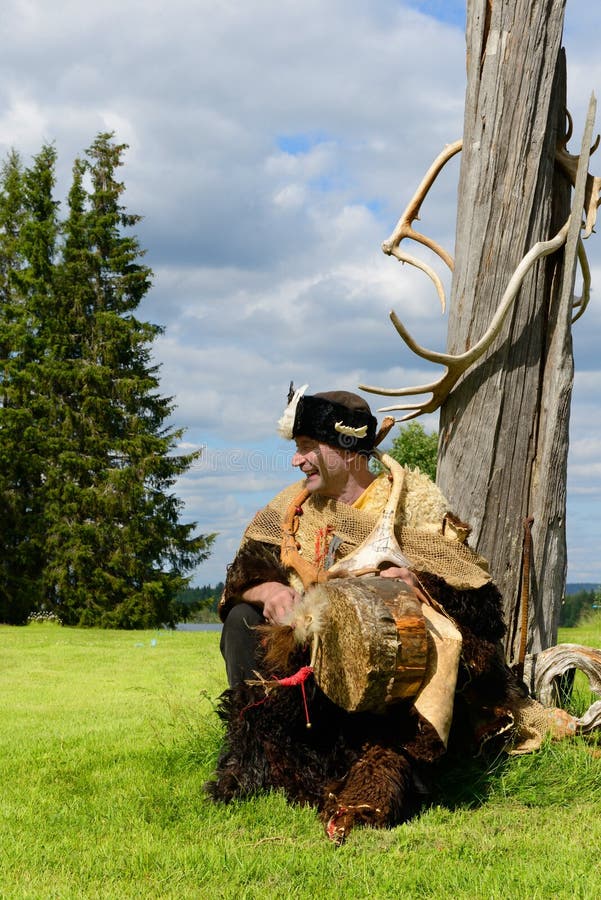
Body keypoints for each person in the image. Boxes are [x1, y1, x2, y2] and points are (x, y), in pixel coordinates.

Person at [218, 385, 488, 689]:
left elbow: (472, 591)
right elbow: (242, 573)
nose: (297, 460)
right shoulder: (290, 505)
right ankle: (256, 727)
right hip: (306, 662)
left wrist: (419, 584)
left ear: (346, 450)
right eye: (297, 447)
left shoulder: (413, 502)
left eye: (307, 446)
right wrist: (269, 591)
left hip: (389, 670)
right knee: (241, 617)